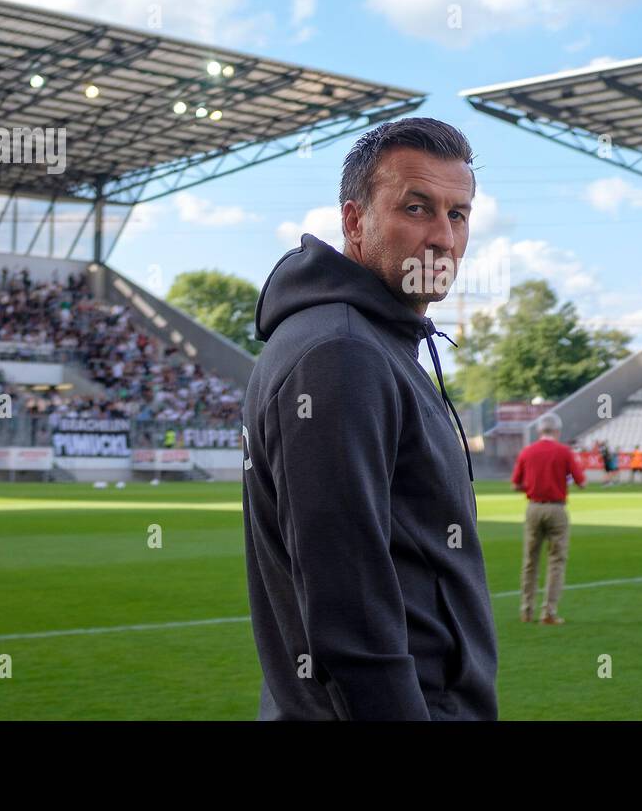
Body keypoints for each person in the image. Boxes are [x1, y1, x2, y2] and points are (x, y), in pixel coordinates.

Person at [240, 118, 497, 721]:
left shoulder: (365, 342)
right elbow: (347, 607)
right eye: (416, 207)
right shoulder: (342, 354)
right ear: (356, 222)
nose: (443, 237)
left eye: (458, 215)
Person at [512, 413, 585, 625]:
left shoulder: (527, 451)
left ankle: (526, 610)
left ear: (539, 431)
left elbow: (516, 484)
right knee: (556, 561)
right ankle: (549, 612)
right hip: (556, 509)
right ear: (557, 431)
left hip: (533, 507)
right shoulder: (564, 452)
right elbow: (581, 481)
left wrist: (534, 486)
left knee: (530, 560)